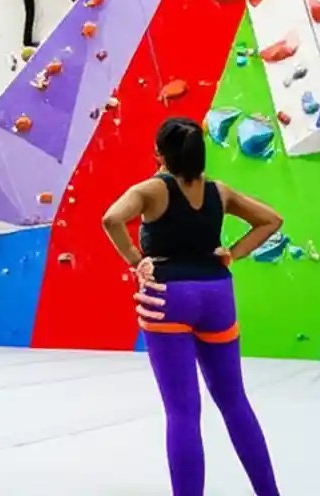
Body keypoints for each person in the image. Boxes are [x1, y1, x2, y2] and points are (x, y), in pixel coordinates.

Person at [101, 116, 284, 496]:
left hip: (168, 298)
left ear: (159, 155)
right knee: (234, 401)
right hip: (217, 295)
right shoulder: (221, 191)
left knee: (183, 413)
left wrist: (136, 261)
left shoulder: (151, 190)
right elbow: (271, 220)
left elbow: (111, 218)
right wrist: (232, 253)